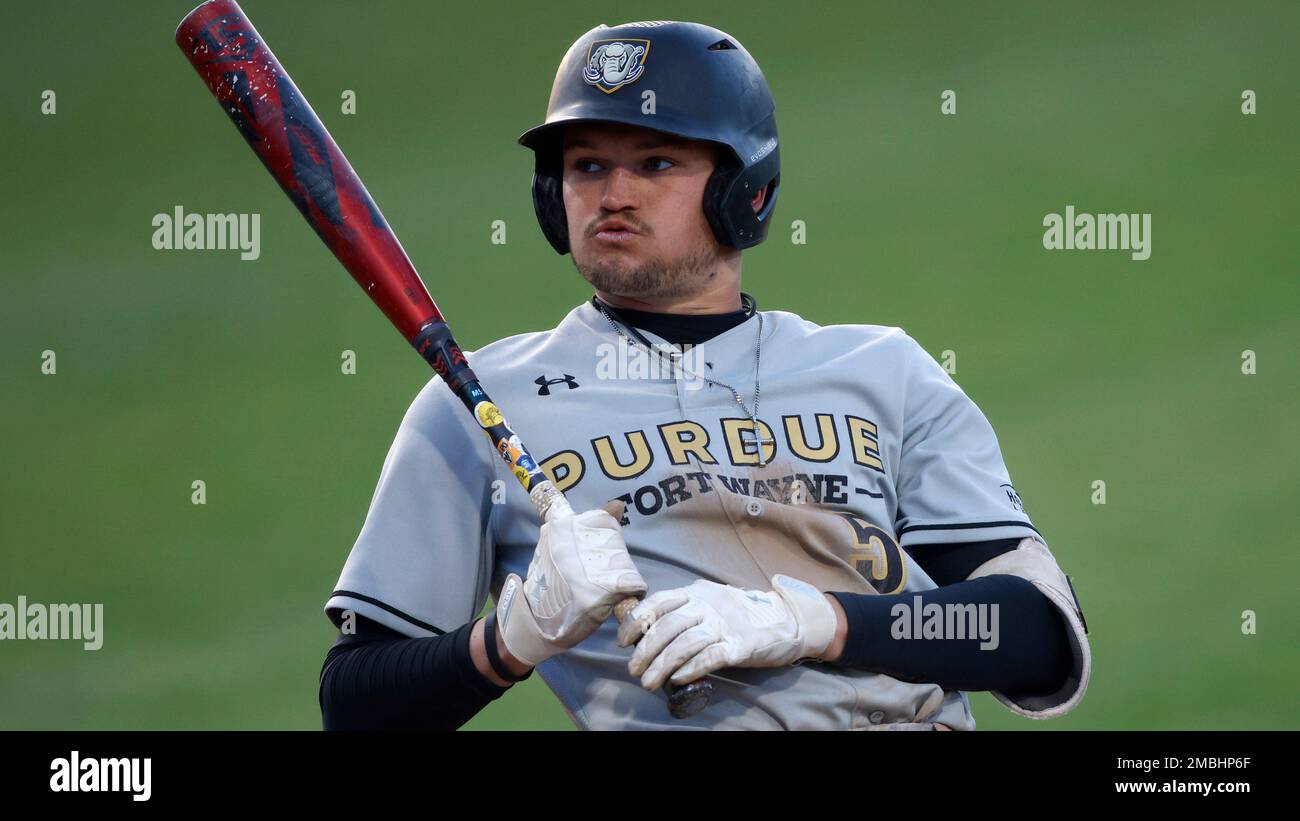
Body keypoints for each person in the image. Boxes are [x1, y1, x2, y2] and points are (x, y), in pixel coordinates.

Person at [319, 20, 1091, 730]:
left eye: (656, 162)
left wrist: (816, 622)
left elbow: (1032, 632)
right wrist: (510, 640)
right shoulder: (481, 406)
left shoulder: (882, 371)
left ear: (742, 190)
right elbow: (355, 705)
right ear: (551, 199)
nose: (613, 195)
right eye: (586, 165)